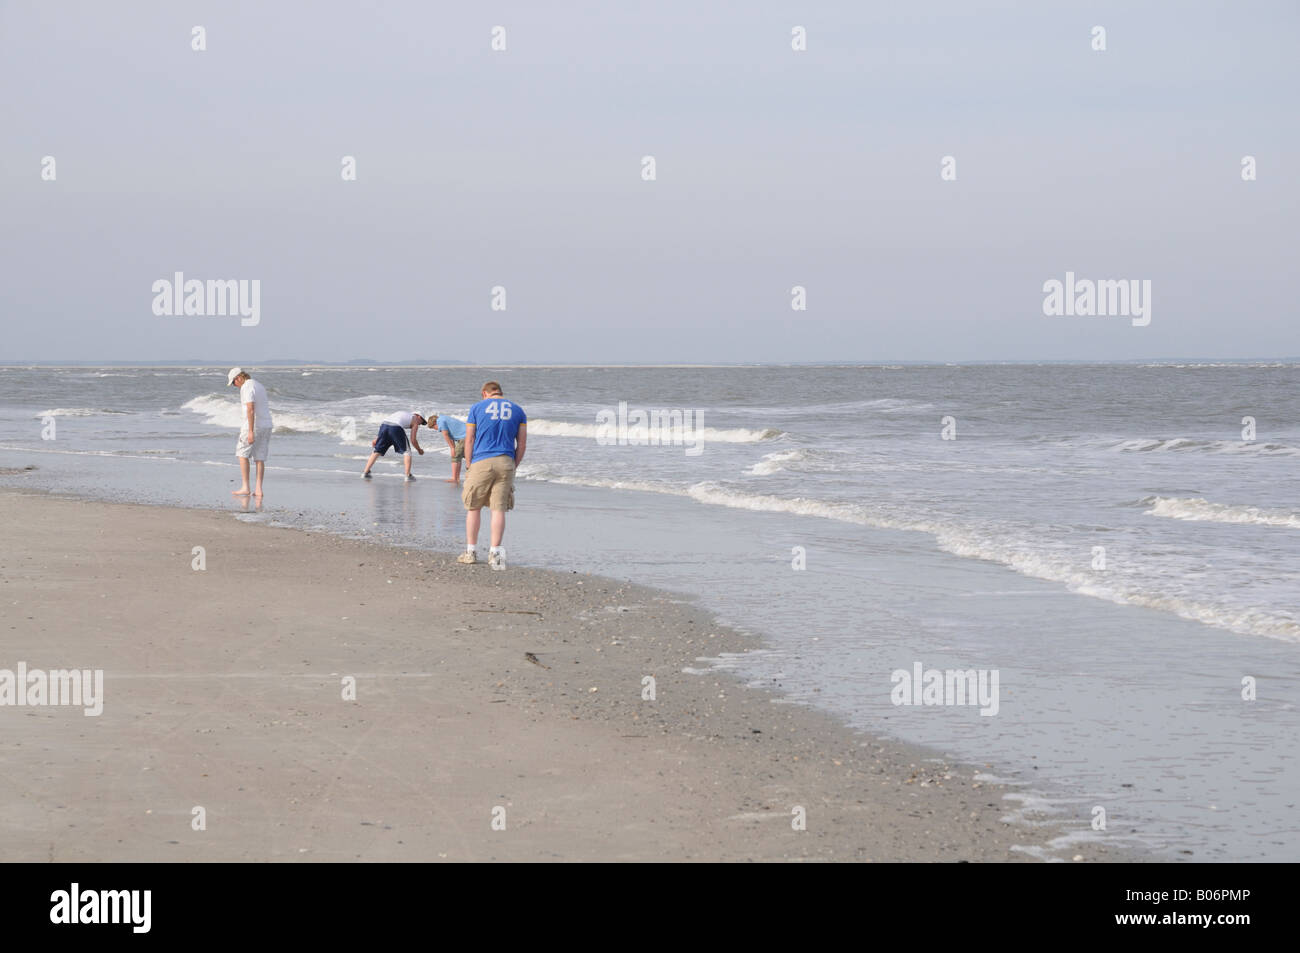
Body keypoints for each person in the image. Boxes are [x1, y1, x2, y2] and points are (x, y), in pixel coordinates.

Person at [458, 382, 526, 570]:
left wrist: (469, 463)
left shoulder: (477, 408)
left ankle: (471, 552)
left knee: (474, 507)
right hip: (506, 461)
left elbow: (469, 438)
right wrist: (514, 464)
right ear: (500, 392)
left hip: (482, 460)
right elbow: (521, 443)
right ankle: (495, 554)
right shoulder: (518, 410)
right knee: (498, 509)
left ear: (485, 393)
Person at [227, 367, 271, 497]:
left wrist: (250, 431)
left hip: (253, 426)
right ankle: (258, 490)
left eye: (234, 383)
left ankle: (245, 487)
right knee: (259, 457)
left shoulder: (246, 387)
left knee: (242, 453)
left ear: (239, 378)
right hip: (266, 425)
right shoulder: (259, 385)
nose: (235, 386)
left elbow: (250, 409)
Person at [361, 411, 430, 481]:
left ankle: (365, 472)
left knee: (377, 450)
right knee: (407, 452)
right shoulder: (415, 420)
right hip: (396, 427)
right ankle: (408, 475)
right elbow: (413, 440)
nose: (420, 424)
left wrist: (377, 439)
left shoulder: (403, 414)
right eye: (422, 422)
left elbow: (388, 425)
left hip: (384, 425)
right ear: (418, 416)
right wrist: (419, 450)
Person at [429, 413, 467, 484]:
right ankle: (459, 477)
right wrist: (453, 447)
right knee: (466, 456)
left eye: (434, 428)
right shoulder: (443, 419)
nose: (436, 430)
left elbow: (445, 434)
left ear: (434, 423)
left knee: (455, 456)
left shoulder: (440, 421)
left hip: (464, 437)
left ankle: (454, 478)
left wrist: (452, 448)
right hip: (467, 435)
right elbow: (450, 436)